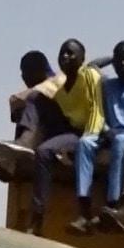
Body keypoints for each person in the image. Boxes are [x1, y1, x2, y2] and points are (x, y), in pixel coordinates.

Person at [71, 40, 124, 235]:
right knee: (84, 142)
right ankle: (84, 205)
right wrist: (112, 58)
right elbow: (90, 68)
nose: (122, 65)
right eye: (119, 61)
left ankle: (114, 203)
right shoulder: (107, 85)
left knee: (120, 141)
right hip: (109, 132)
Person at [23, 39, 105, 234]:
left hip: (92, 133)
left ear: (82, 59)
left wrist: (90, 137)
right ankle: (37, 217)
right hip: (70, 131)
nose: (65, 57)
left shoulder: (89, 76)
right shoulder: (60, 90)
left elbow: (96, 109)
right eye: (62, 53)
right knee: (43, 149)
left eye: (71, 53)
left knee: (48, 151)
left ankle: (83, 214)